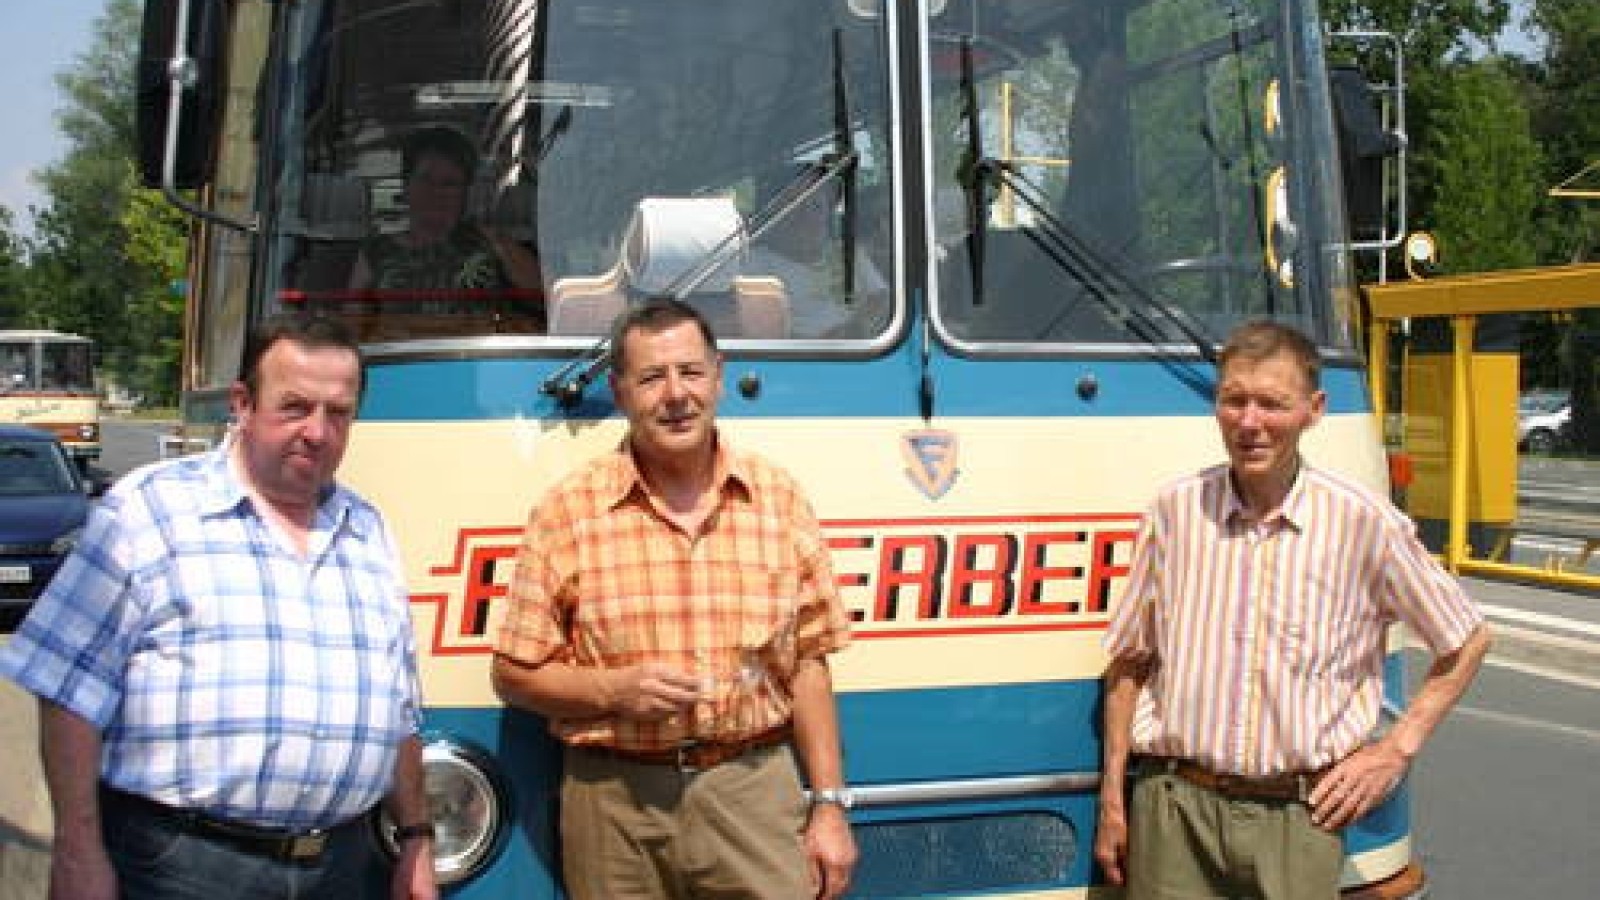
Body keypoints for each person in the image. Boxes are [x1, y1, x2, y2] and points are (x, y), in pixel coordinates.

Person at [0, 314, 437, 900]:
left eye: (338, 413)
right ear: (242, 404)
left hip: (340, 868)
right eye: (294, 408)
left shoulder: (367, 529)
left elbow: (398, 709)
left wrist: (416, 838)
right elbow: (68, 690)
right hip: (183, 868)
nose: (317, 432)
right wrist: (78, 852)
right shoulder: (150, 511)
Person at [1093, 320, 1492, 900]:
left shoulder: (1363, 523)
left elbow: (1468, 640)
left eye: (1272, 404)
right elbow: (1129, 662)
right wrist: (1113, 799)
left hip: (1298, 821)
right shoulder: (1174, 512)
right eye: (1234, 400)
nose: (1249, 422)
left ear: (1314, 410)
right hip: (1175, 812)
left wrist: (1395, 751)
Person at [491, 298, 858, 900]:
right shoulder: (568, 511)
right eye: (651, 378)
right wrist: (613, 690)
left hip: (752, 794)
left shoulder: (779, 499)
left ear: (718, 377)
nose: (676, 395)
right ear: (619, 392)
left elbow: (809, 665)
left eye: (690, 372)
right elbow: (513, 675)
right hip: (614, 807)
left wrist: (829, 806)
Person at [348, 126, 542, 322]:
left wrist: (496, 240)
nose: (436, 192)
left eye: (449, 183)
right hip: (401, 342)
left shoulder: (490, 243)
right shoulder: (377, 251)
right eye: (426, 179)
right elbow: (353, 322)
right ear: (406, 186)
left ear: (466, 193)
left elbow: (545, 297)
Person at [745, 182, 889, 339]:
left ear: (827, 213)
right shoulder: (754, 263)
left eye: (817, 207)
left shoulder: (847, 251)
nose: (809, 216)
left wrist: (856, 326)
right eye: (797, 208)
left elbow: (880, 296)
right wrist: (822, 341)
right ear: (777, 215)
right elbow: (764, 332)